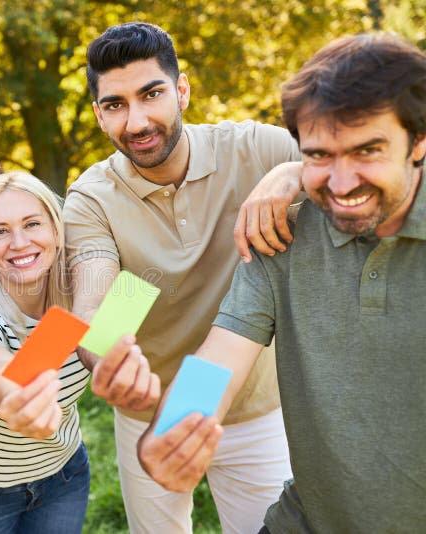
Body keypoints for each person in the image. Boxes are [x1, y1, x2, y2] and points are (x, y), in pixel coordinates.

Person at [139, 32, 426, 534]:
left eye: (367, 151)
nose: (341, 184)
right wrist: (176, 427)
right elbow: (220, 357)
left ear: (418, 141)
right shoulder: (283, 240)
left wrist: (295, 169)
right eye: (319, 156)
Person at [63, 22, 300, 533]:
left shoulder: (256, 149)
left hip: (256, 411)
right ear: (100, 113)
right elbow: (93, 300)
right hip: (151, 413)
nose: (137, 121)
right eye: (115, 105)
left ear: (182, 90)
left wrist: (290, 175)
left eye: (152, 95)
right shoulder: (91, 198)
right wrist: (105, 360)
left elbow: (342, 160)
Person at [0, 171, 95, 533]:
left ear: (56, 230)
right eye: (0, 231)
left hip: (65, 476)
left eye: (32, 224)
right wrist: (14, 390)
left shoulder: (85, 291)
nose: (19, 242)